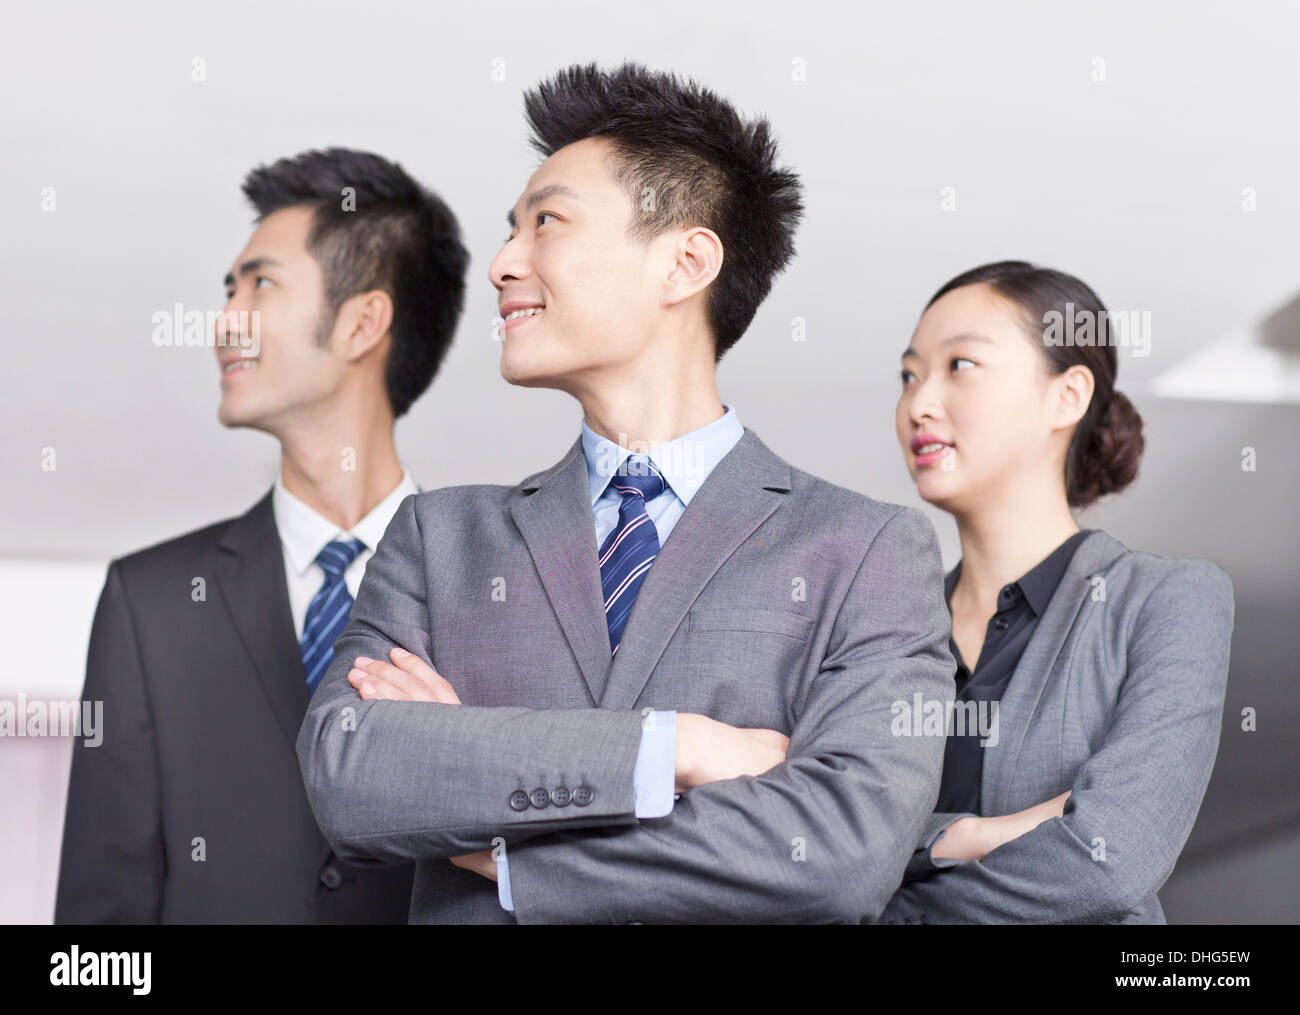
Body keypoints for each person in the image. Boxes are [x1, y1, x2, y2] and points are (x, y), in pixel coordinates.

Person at [296, 62, 955, 924]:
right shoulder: (437, 537)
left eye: (547, 223)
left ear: (686, 262)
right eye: (510, 231)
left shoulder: (866, 551)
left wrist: (496, 849)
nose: (502, 263)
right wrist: (680, 746)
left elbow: (839, 852)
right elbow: (352, 775)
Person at [55, 148, 468, 923]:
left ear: (362, 322)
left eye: (261, 283)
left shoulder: (497, 586)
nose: (225, 322)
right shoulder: (150, 605)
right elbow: (98, 925)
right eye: (229, 288)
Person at [876, 260, 1234, 924]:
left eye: (959, 366)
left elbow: (1109, 859)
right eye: (909, 375)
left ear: (1066, 396)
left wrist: (905, 859)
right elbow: (820, 842)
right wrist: (976, 835)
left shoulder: (1166, 601)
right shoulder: (881, 626)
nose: (919, 403)